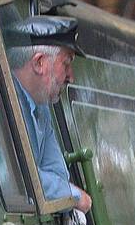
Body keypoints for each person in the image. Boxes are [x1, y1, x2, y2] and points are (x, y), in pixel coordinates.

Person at [5, 15, 92, 212]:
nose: (71, 77)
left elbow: (57, 172)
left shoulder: (40, 106)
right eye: (66, 63)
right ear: (39, 63)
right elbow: (17, 176)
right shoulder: (0, 98)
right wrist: (76, 198)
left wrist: (65, 192)